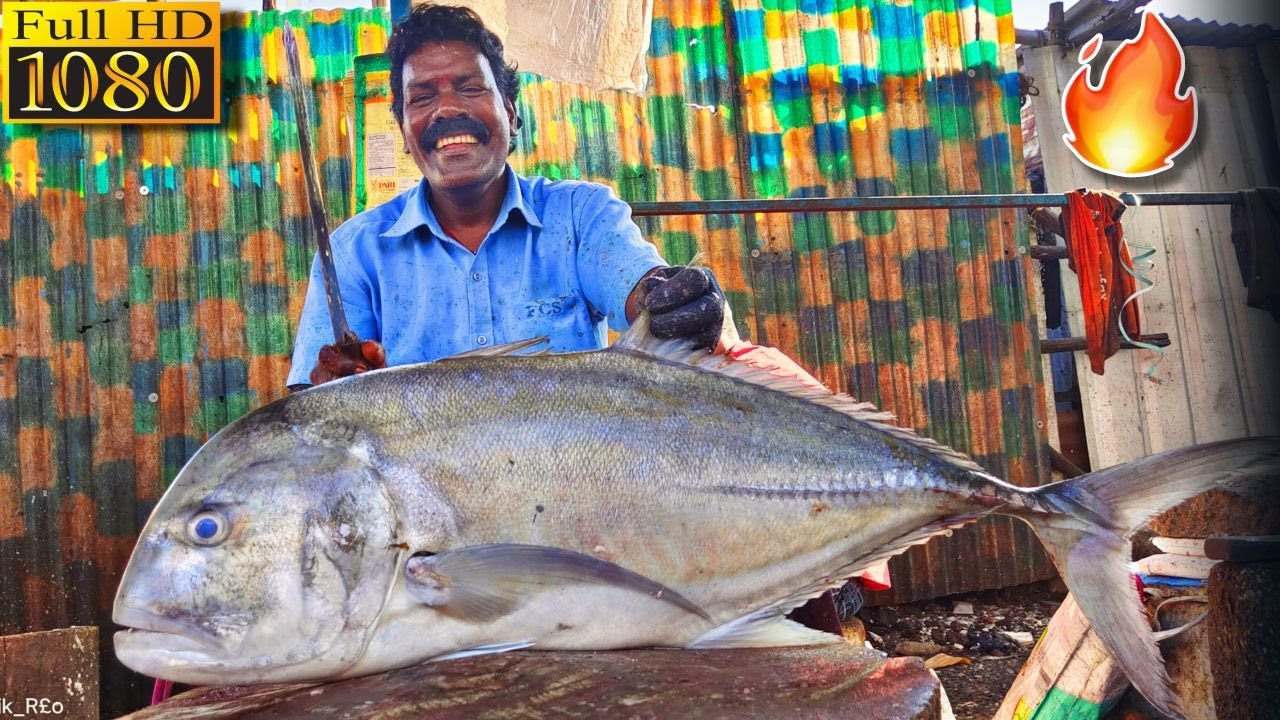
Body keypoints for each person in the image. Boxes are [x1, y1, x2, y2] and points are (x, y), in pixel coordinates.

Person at [287, 3, 723, 389]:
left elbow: (639, 291)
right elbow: (315, 413)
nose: (446, 109)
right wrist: (335, 385)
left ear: (511, 115)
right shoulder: (353, 252)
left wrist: (667, 299)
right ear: (404, 134)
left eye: (470, 87)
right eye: (422, 97)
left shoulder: (581, 215)